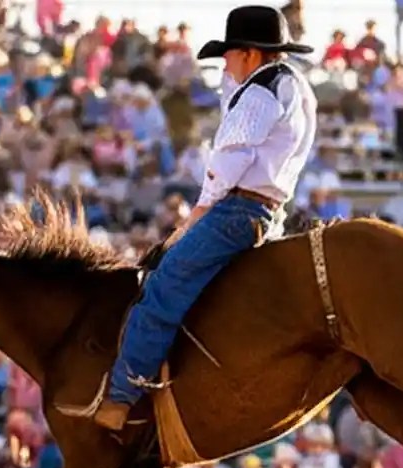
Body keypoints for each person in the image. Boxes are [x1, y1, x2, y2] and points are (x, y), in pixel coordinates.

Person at [92, 5, 317, 430]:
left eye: (230, 55)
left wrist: (198, 212)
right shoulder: (298, 87)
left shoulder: (260, 91)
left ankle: (122, 395)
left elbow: (231, 157)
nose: (226, 64)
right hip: (270, 209)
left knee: (164, 285)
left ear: (249, 54)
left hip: (237, 207)